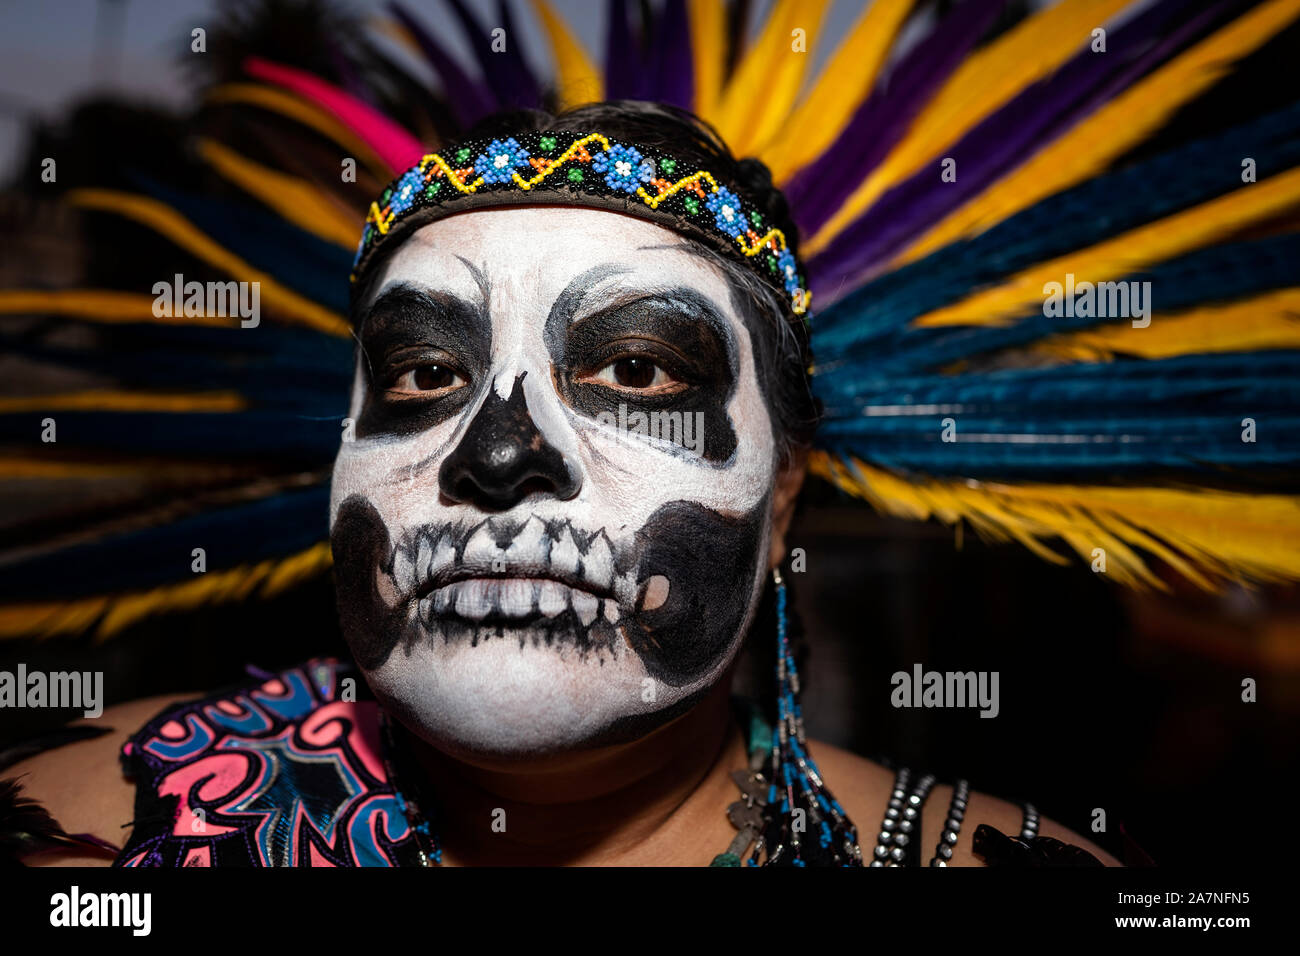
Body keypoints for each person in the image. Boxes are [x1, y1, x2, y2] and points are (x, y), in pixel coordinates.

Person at [4, 0, 1296, 868]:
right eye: (419, 375)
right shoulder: (79, 833)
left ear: (784, 490)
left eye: (632, 365)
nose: (497, 451)